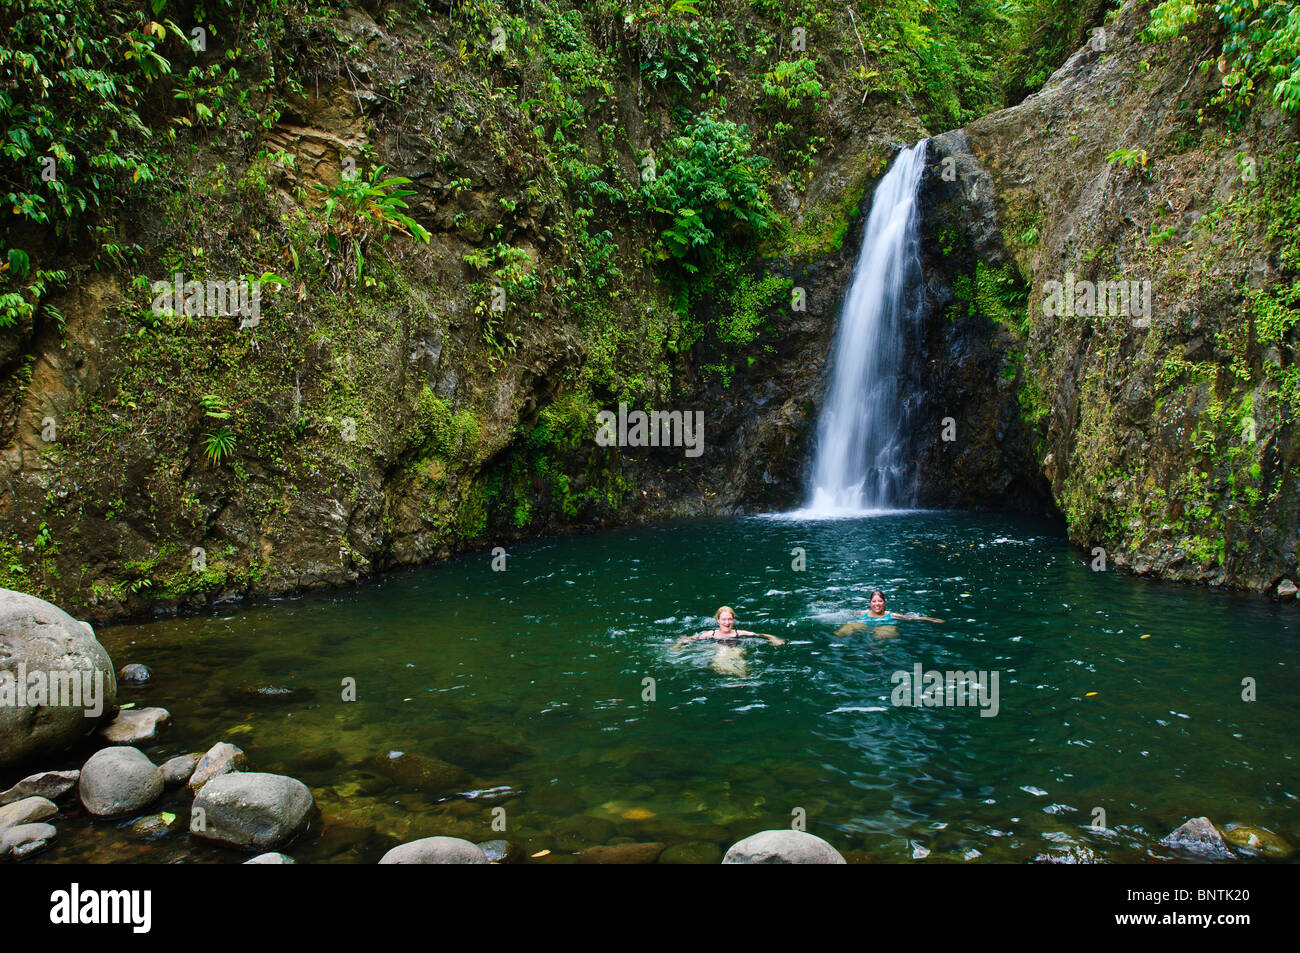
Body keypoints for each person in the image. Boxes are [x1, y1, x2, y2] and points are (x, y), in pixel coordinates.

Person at [836, 590, 942, 637]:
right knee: (848, 627)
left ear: (884, 603)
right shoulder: (864, 612)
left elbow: (912, 618)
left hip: (882, 628)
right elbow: (846, 612)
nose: (877, 604)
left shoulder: (892, 615)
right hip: (865, 626)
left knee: (881, 635)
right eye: (874, 601)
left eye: (880, 601)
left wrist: (931, 619)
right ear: (870, 603)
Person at [673, 606, 785, 649]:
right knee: (722, 655)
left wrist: (775, 639)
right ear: (718, 620)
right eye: (724, 619)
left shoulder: (739, 633)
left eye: (730, 619)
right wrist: (679, 644)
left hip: (735, 650)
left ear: (733, 620)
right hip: (717, 650)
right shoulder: (710, 634)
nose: (727, 622)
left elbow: (760, 635)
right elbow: (691, 638)